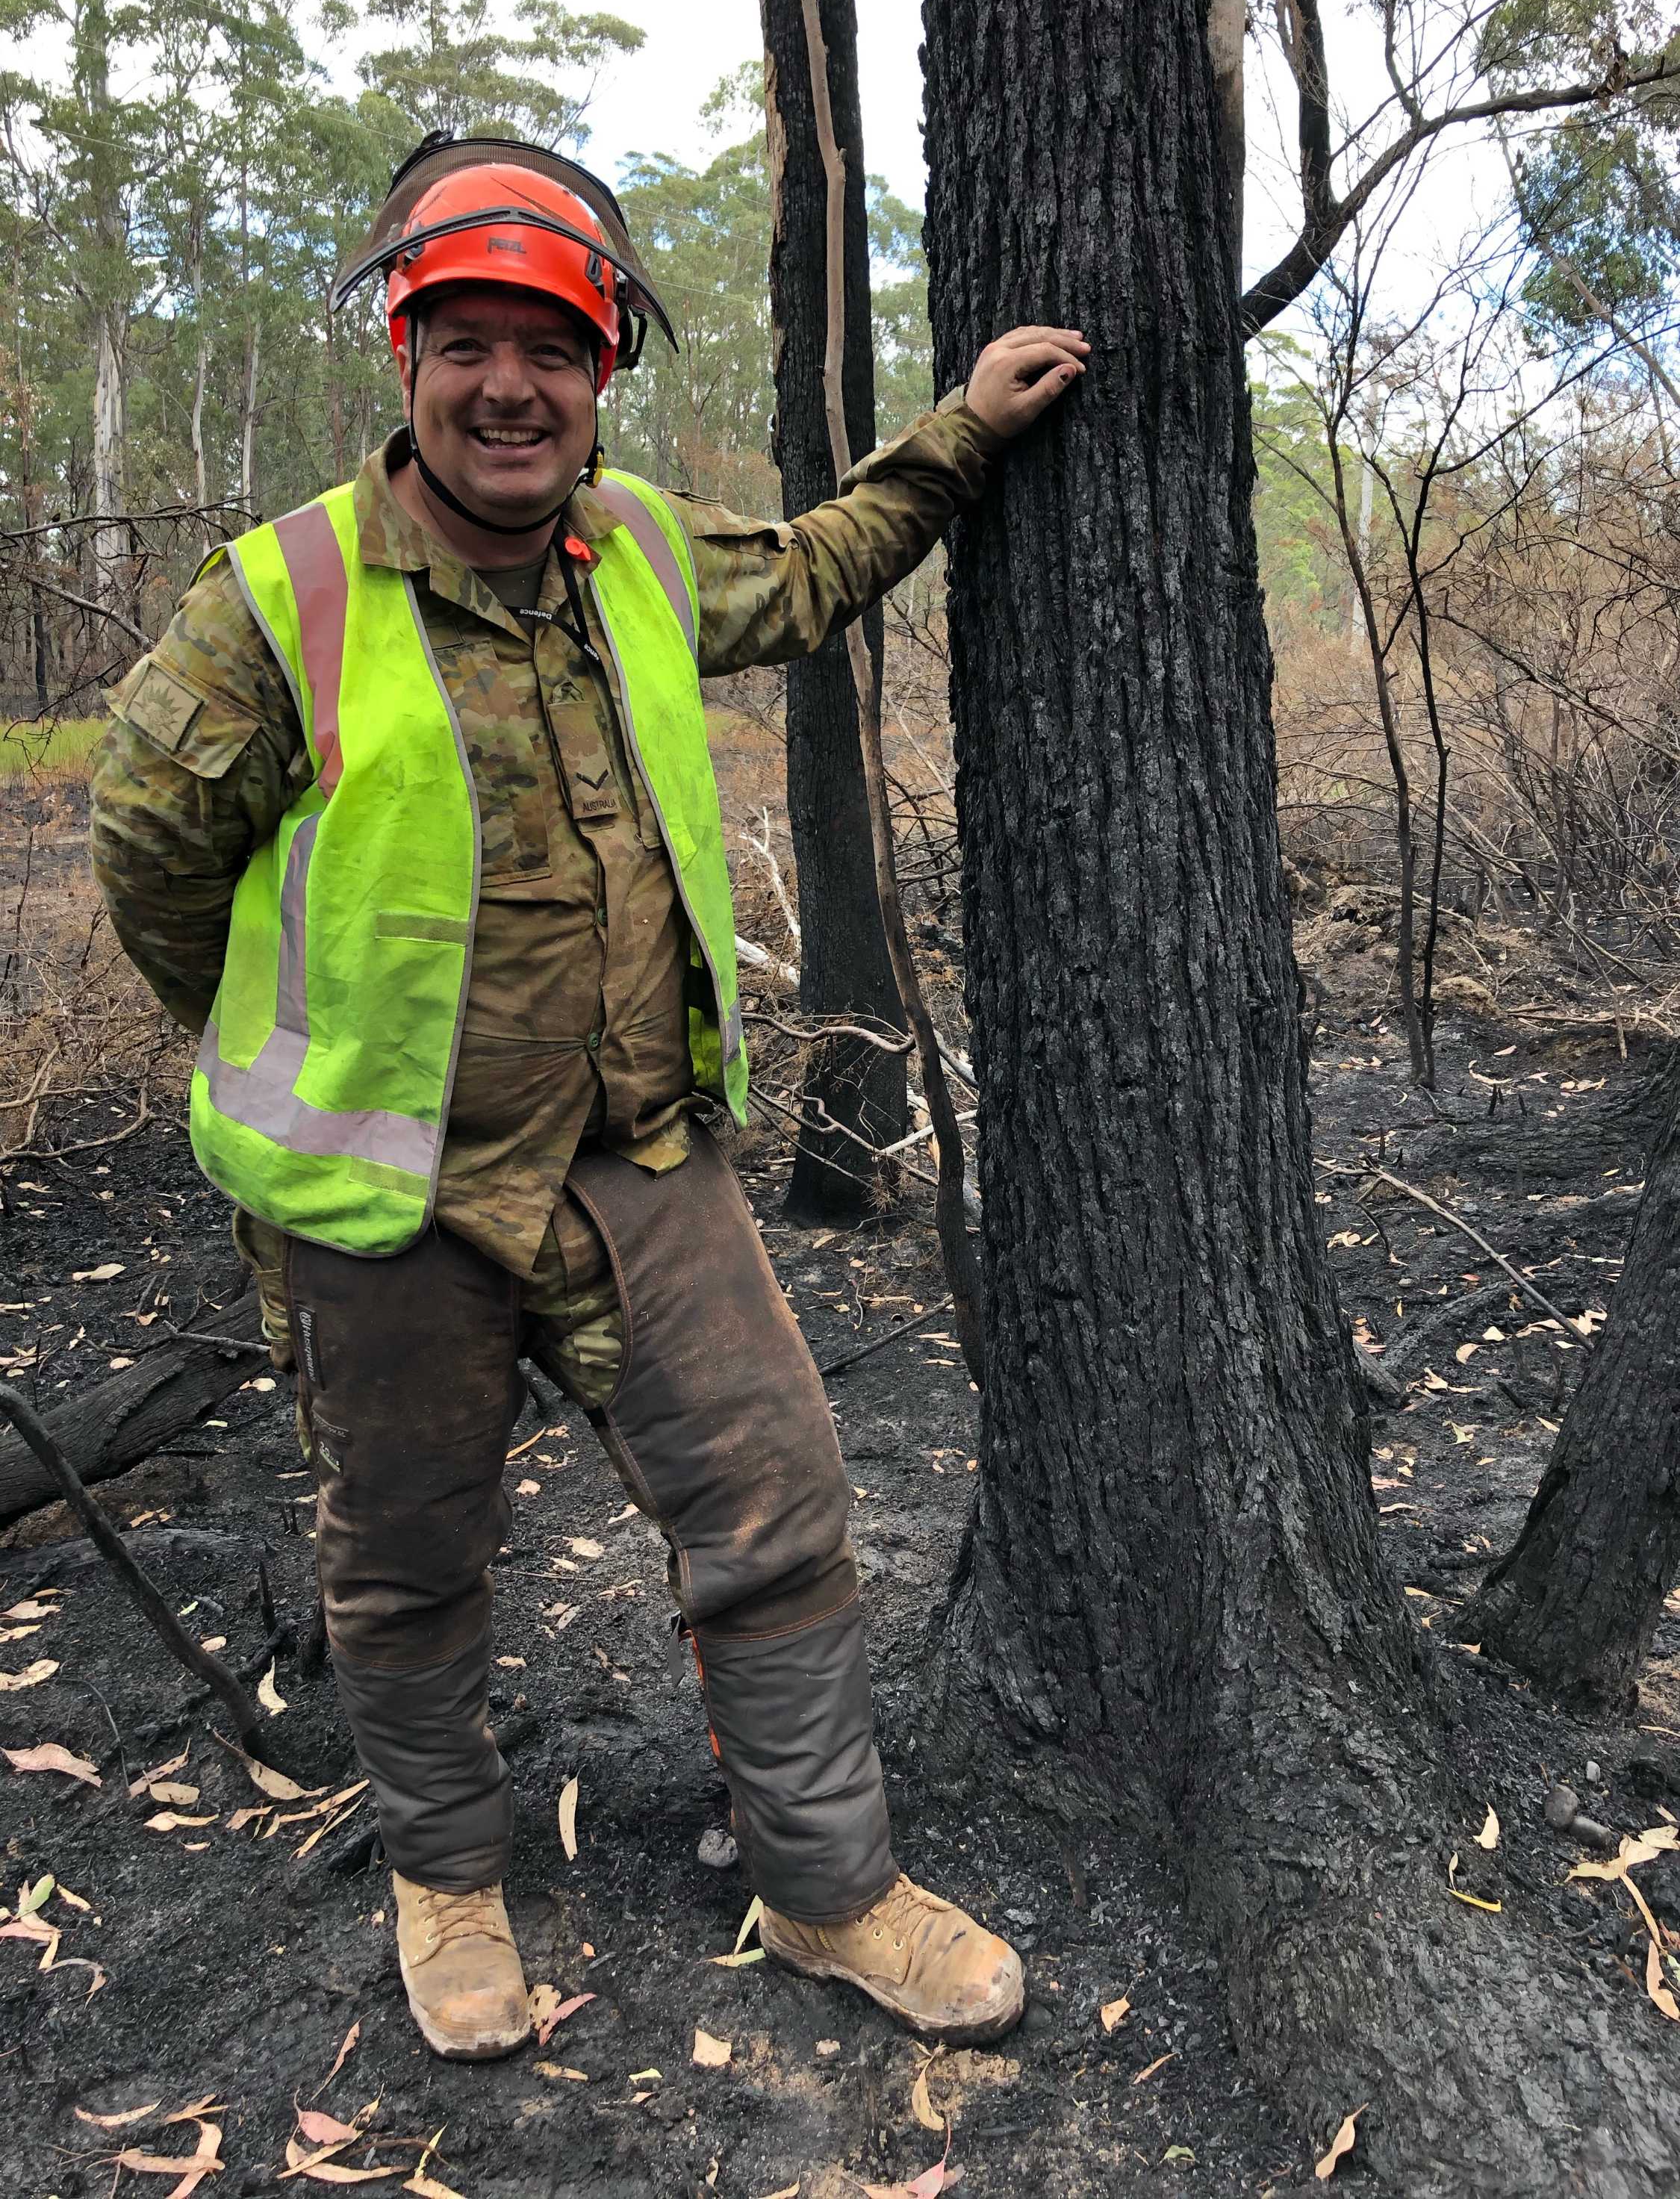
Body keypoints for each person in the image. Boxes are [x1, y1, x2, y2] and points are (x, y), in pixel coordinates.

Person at [90, 134, 1087, 2061]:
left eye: (547, 347)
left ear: (600, 371)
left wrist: (956, 438)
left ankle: (827, 1889)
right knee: (403, 1554)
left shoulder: (628, 546)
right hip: (390, 1196)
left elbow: (805, 575)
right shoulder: (275, 599)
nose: (506, 386)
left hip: (641, 1166)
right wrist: (281, 1050)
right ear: (404, 357)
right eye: (463, 340)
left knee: (780, 1506)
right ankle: (449, 1882)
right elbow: (149, 857)